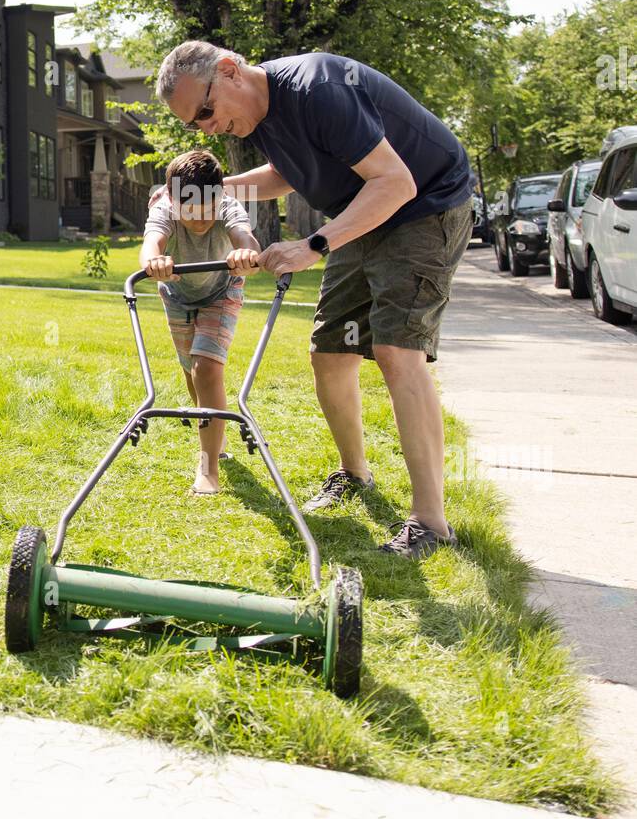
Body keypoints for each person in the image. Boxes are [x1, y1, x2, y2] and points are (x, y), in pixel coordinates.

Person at [154, 41, 474, 558]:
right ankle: (355, 474)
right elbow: (288, 175)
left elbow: (396, 182)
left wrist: (314, 245)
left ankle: (431, 522)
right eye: (195, 125)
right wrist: (203, 192)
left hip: (424, 206)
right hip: (362, 209)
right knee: (329, 352)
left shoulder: (318, 89)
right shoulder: (262, 118)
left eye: (206, 111)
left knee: (397, 351)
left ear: (231, 71)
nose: (207, 129)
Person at [140, 148, 261, 496]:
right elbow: (151, 245)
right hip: (178, 295)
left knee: (206, 369)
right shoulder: (163, 208)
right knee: (191, 370)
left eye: (208, 212)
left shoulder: (228, 206)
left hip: (222, 290)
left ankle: (209, 468)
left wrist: (245, 254)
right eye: (190, 213)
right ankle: (213, 431)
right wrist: (154, 262)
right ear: (172, 201)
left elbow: (245, 240)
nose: (200, 221)